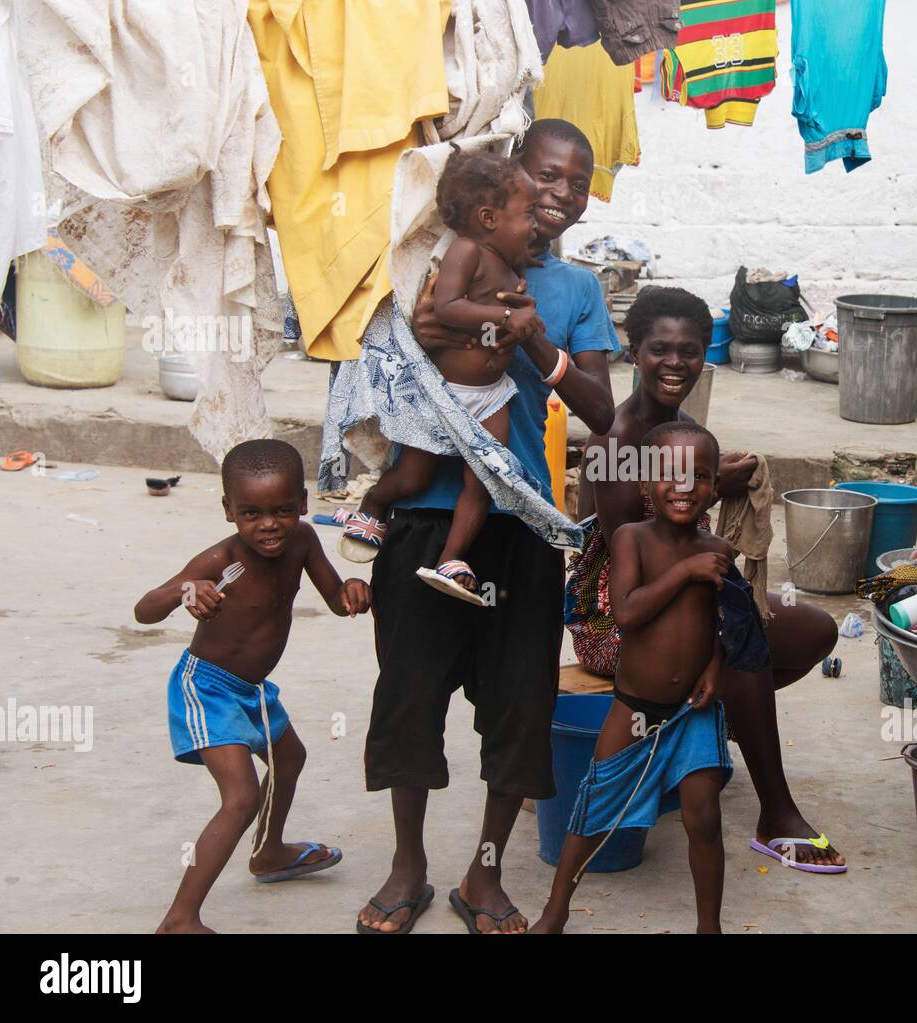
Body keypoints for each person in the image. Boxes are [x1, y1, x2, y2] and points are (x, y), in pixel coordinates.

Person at [355, 118, 619, 935]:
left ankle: (486, 870)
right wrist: (435, 323)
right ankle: (408, 865)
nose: (561, 195)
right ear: (513, 177)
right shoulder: (445, 256)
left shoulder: (575, 292)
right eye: (546, 175)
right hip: (427, 513)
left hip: (523, 517)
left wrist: (537, 341)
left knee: (517, 702)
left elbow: (603, 410)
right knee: (410, 694)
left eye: (578, 184)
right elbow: (390, 341)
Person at [567, 285, 846, 872]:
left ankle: (707, 736)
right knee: (740, 643)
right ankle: (776, 812)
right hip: (621, 612)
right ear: (634, 353)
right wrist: (716, 484)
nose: (675, 363)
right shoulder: (615, 439)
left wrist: (719, 478)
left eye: (689, 351)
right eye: (659, 350)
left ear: (704, 356)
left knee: (813, 629)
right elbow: (635, 544)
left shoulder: (680, 421)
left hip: (682, 586)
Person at [134, 440, 371, 933]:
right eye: (252, 513)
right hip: (207, 687)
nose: (269, 524)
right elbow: (145, 609)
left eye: (283, 510)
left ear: (303, 504)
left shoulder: (304, 541)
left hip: (253, 688)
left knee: (290, 758)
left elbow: (333, 597)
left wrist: (351, 590)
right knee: (239, 796)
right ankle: (179, 920)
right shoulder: (223, 559)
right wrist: (185, 592)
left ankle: (269, 853)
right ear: (229, 511)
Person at [534, 423, 735, 933]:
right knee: (593, 807)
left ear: (715, 487)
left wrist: (714, 666)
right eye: (671, 474)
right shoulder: (632, 540)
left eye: (701, 477)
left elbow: (721, 623)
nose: (685, 487)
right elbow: (625, 611)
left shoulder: (717, 550)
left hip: (693, 712)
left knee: (704, 818)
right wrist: (684, 573)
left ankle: (708, 925)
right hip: (634, 708)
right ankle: (556, 910)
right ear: (646, 483)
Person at [341, 150, 542, 604]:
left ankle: (452, 560)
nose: (535, 225)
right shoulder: (466, 251)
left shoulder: (510, 262)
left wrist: (518, 309)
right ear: (488, 217)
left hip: (491, 395)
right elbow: (448, 308)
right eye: (527, 214)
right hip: (443, 394)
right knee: (413, 475)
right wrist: (506, 314)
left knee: (485, 477)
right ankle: (374, 504)